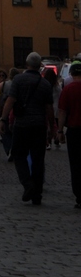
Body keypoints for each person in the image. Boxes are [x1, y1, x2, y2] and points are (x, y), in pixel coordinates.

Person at [1, 50, 54, 205]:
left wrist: (3, 119)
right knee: (38, 159)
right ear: (40, 66)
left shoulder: (18, 79)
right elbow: (49, 108)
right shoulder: (45, 84)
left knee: (19, 155)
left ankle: (27, 184)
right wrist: (51, 127)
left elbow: (10, 100)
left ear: (27, 64)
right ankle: (37, 194)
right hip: (39, 125)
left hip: (22, 124)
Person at [57, 59, 81, 208]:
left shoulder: (68, 89)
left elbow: (62, 112)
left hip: (74, 130)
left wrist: (60, 130)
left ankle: (79, 195)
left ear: (71, 74)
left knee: (76, 164)